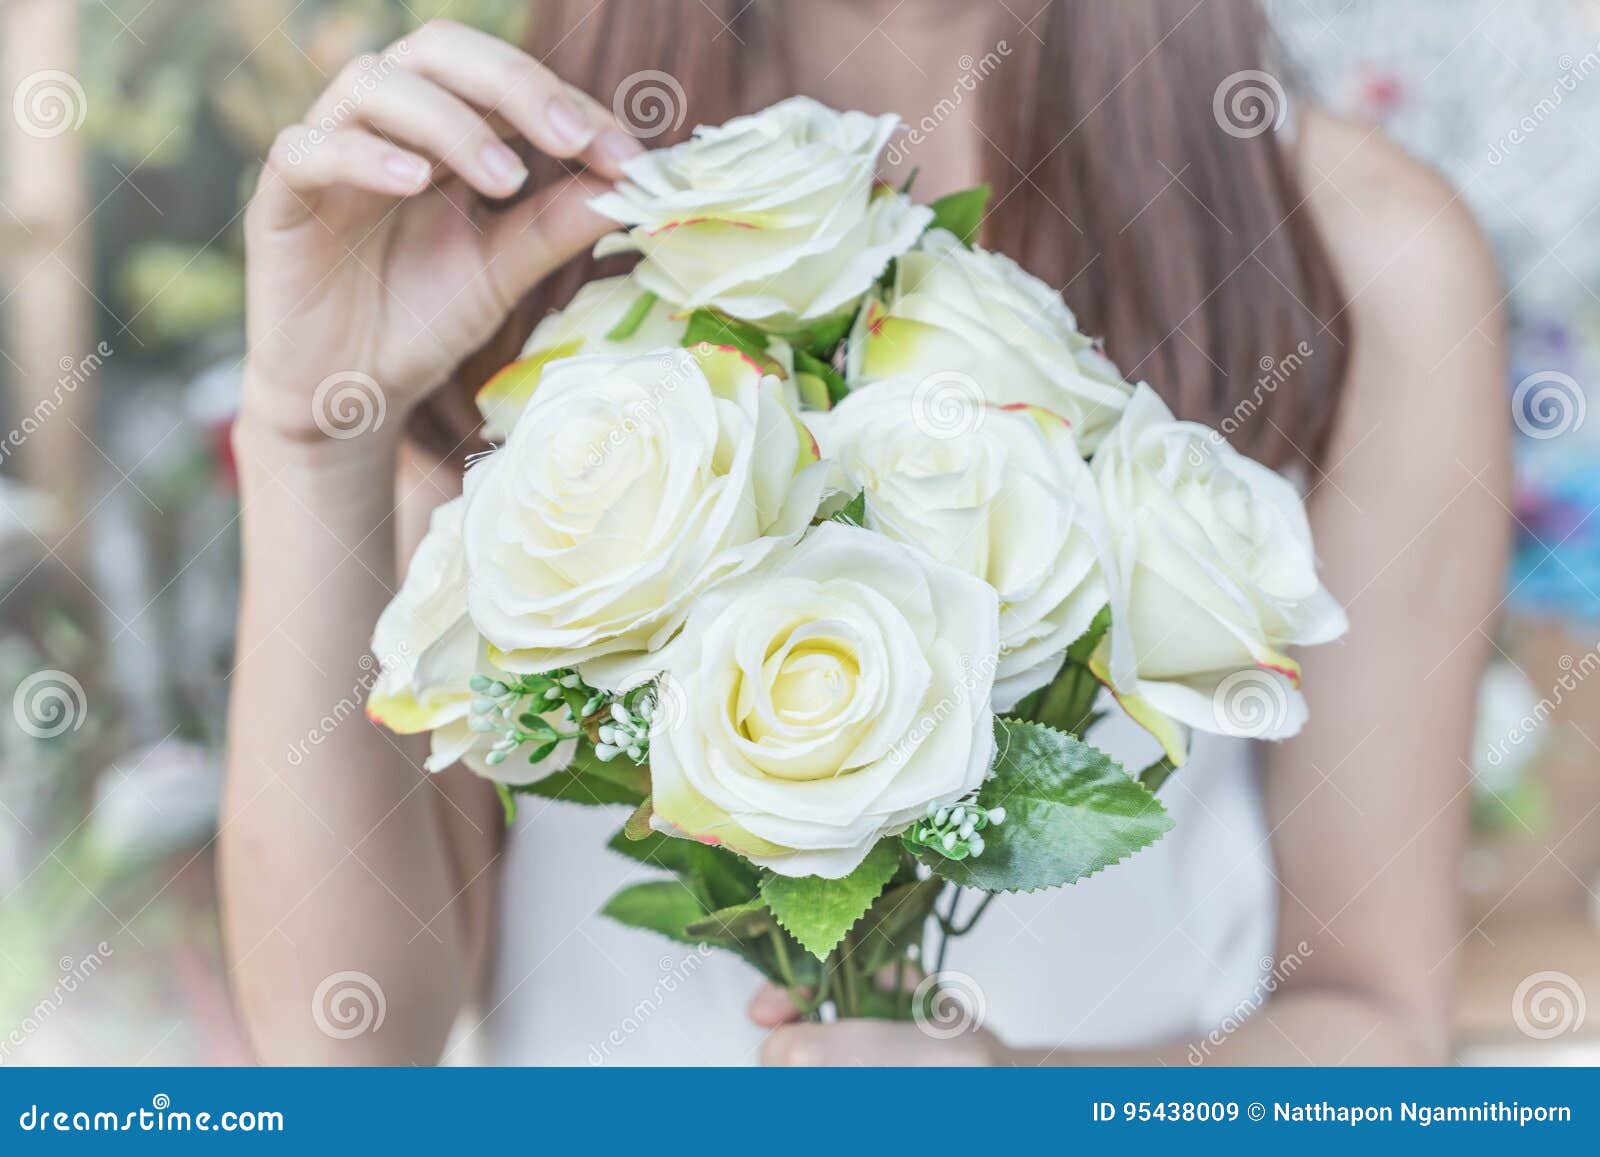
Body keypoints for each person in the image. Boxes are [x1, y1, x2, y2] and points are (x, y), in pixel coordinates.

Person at [220, 0, 1510, 1065]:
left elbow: (1374, 1020)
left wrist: (1032, 1118)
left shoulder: (1358, 246)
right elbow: (343, 1049)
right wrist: (311, 438)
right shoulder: (504, 215)